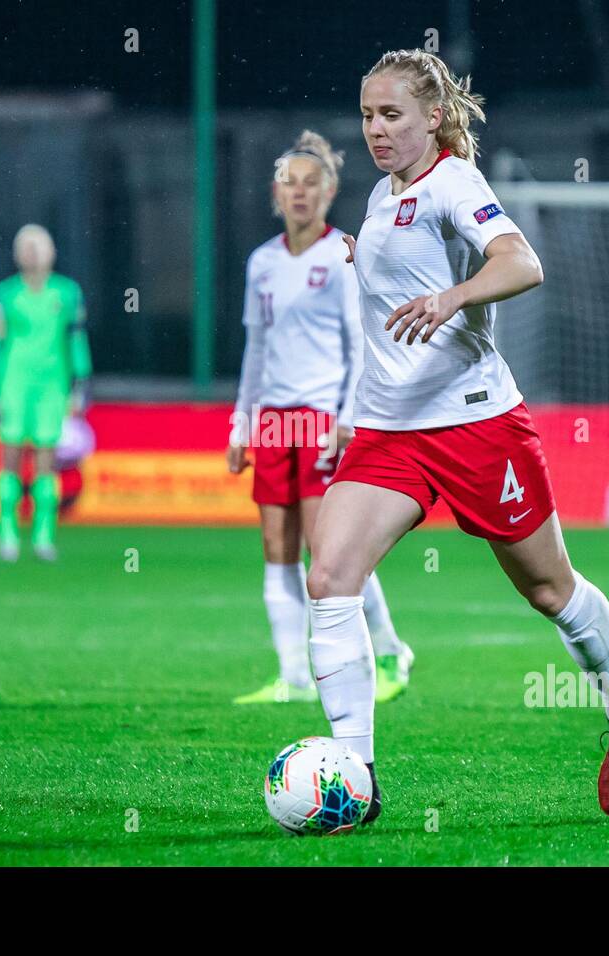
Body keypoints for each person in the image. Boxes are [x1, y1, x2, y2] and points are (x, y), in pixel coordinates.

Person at [305, 50, 609, 823]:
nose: (376, 129)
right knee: (329, 580)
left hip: (475, 424)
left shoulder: (454, 182)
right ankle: (356, 778)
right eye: (366, 115)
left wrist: (453, 296)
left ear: (432, 117)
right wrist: (355, 410)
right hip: (391, 432)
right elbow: (386, 315)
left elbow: (522, 263)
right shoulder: (379, 193)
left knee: (551, 590)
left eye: (391, 114)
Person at [229, 130, 413, 706]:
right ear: (276, 194)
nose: (300, 194)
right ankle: (292, 676)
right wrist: (241, 423)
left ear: (329, 192)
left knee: (326, 548)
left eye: (311, 184)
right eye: (290, 183)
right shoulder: (261, 263)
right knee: (275, 545)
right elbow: (256, 348)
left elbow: (357, 342)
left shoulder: (341, 255)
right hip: (273, 421)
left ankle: (387, 649)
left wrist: (344, 415)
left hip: (319, 419)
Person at [0, 224, 92, 562]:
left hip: (52, 385)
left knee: (47, 458)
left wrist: (81, 381)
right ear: (16, 253)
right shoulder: (4, 295)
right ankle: (7, 532)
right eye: (25, 246)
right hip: (13, 381)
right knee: (10, 456)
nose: (31, 252)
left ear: (51, 252)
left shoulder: (68, 293)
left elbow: (76, 339)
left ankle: (44, 534)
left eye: (38, 246)